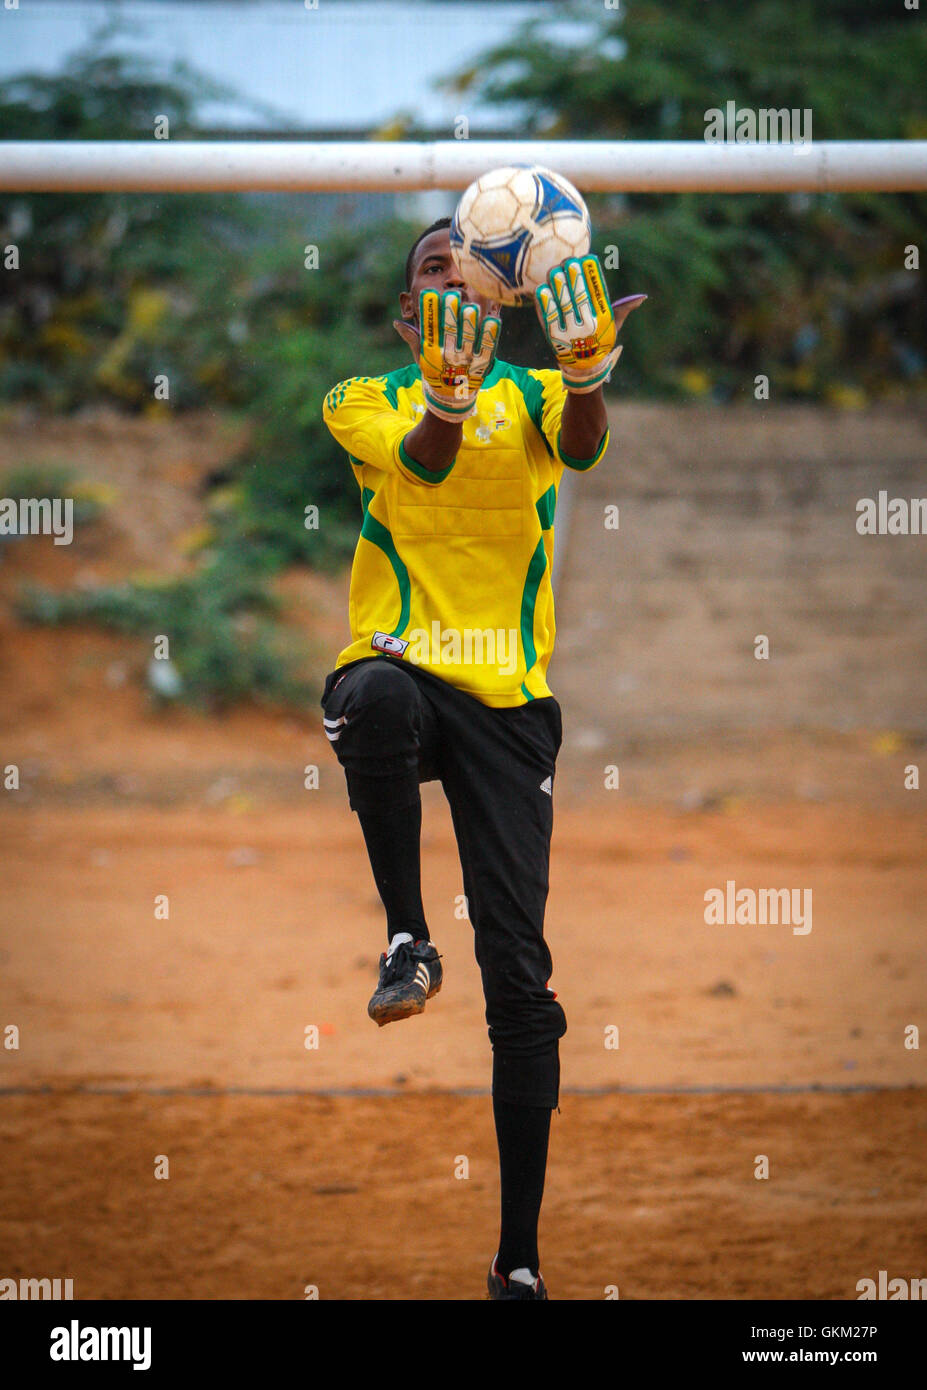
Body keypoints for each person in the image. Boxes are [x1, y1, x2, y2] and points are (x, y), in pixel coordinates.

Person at [320, 216, 645, 1299]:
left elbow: (588, 442)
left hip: (511, 700)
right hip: (407, 671)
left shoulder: (537, 397)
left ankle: (518, 1260)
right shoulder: (362, 397)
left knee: (522, 981)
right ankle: (407, 938)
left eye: (469, 254)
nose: (449, 262)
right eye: (428, 260)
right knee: (366, 696)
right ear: (409, 307)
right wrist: (446, 397)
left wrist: (587, 368)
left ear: (502, 293)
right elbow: (423, 457)